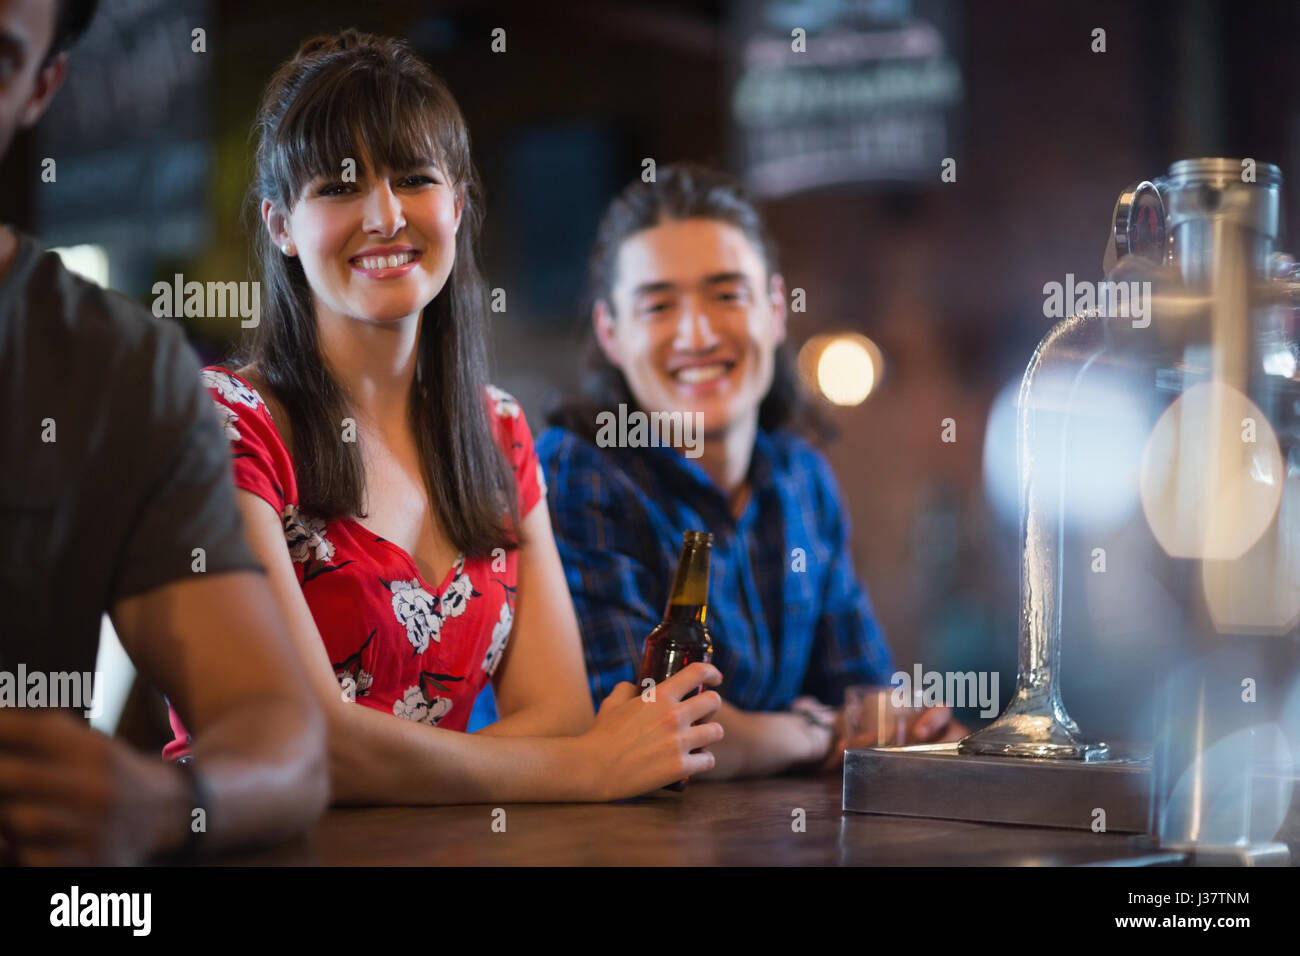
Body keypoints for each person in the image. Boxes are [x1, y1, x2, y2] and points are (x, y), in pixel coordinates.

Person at [167, 30, 723, 804]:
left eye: (415, 178)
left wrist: (400, 763)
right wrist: (589, 767)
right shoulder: (221, 424)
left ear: (457, 205)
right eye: (338, 187)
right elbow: (305, 740)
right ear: (280, 226)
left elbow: (558, 712)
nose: (386, 215)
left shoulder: (498, 432)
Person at [0, 0, 328, 864]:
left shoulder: (119, 371)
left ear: (41, 89)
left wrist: (164, 802)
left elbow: (283, 741)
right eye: (337, 185)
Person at [537, 164, 967, 780]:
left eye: (727, 294)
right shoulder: (578, 469)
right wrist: (813, 734)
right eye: (658, 304)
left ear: (773, 310)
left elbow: (866, 697)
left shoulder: (802, 479)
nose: (699, 332)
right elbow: (647, 733)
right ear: (611, 332)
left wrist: (911, 728)